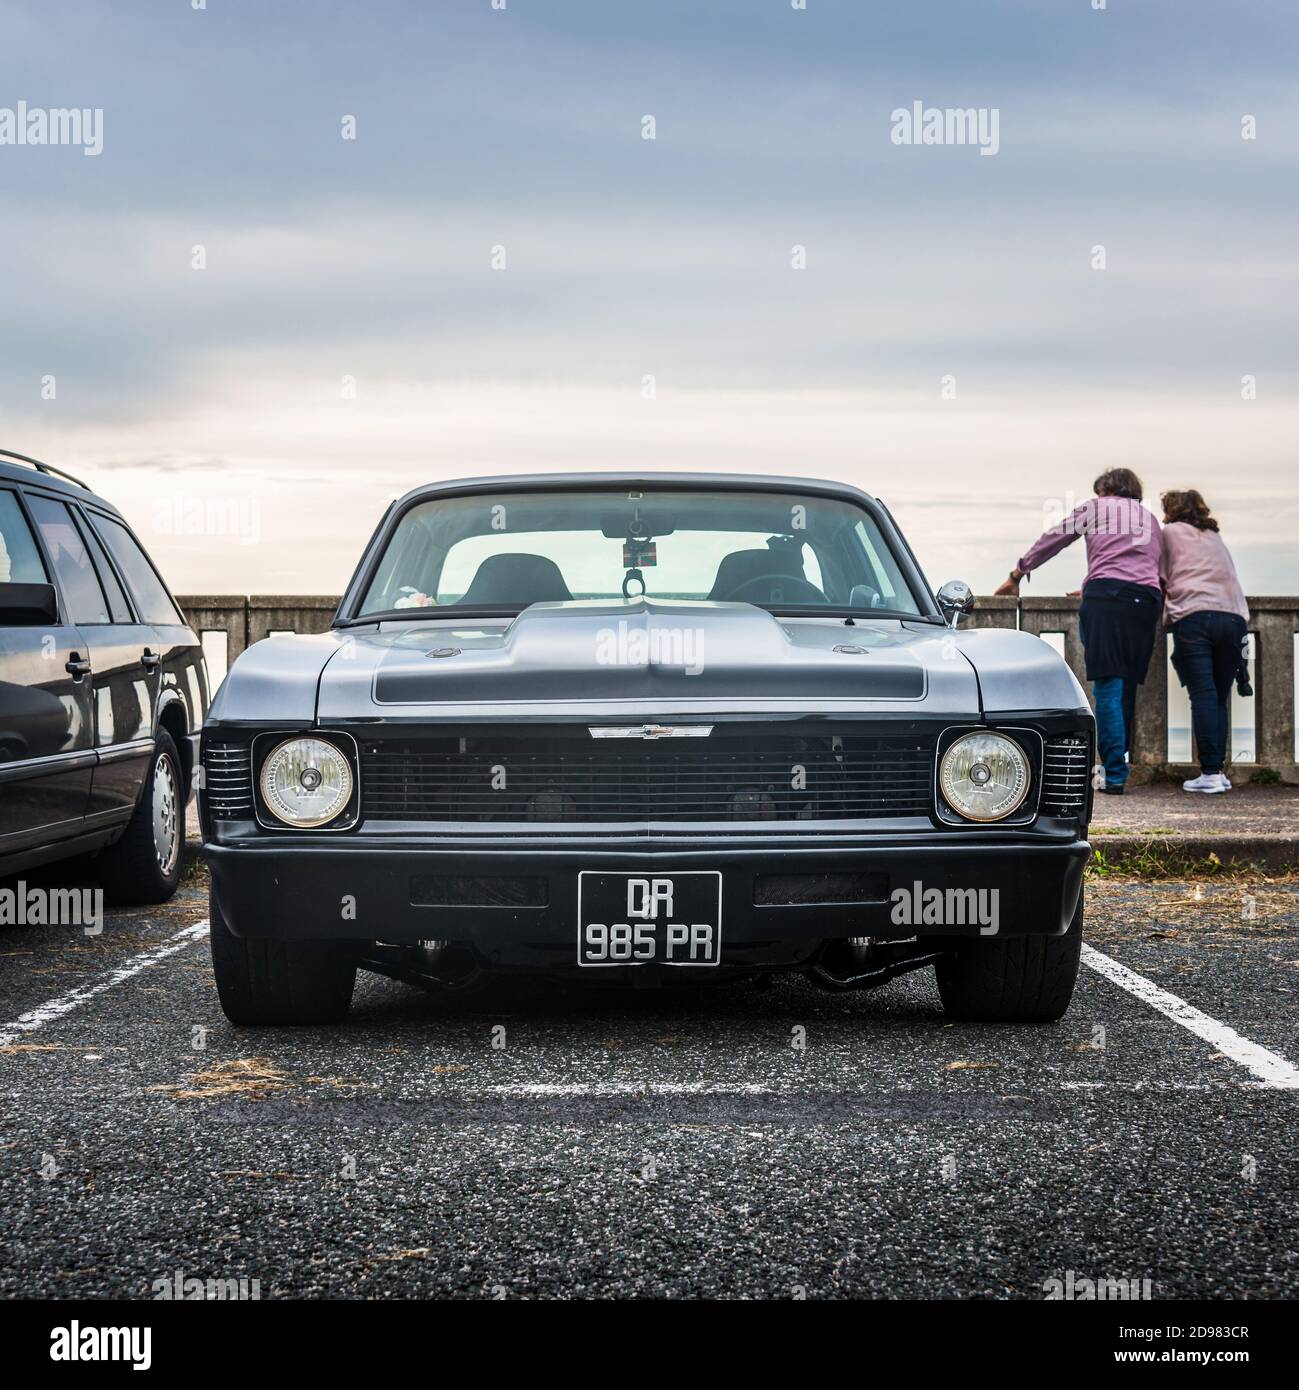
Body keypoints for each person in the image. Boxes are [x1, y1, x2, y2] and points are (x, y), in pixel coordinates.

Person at [996, 469, 1163, 795]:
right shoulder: (1150, 518)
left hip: (1107, 599)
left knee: (1108, 685)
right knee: (1127, 685)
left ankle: (1114, 776)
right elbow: (1144, 565)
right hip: (1147, 601)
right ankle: (1118, 766)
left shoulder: (1096, 507)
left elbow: (1054, 538)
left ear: (1107, 488)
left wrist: (1018, 573)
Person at [1159, 490, 1249, 794]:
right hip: (1234, 619)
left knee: (1203, 695)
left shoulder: (1168, 533)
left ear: (1171, 510)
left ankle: (1210, 774)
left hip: (1195, 617)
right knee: (1218, 697)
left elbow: (1156, 576)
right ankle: (1218, 771)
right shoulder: (1214, 537)